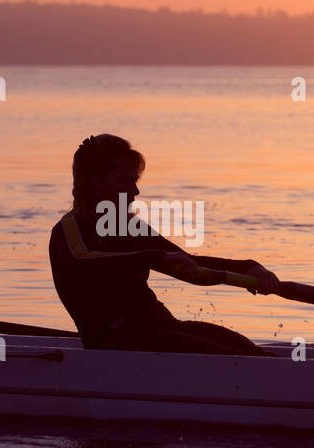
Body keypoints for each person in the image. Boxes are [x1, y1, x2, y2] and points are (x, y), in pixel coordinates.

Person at [49, 134, 280, 355]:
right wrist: (156, 257)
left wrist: (250, 268)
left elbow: (191, 267)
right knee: (229, 356)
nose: (135, 191)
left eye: (135, 181)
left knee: (245, 349)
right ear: (95, 182)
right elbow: (87, 263)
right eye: (125, 181)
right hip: (116, 341)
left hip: (161, 327)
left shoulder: (127, 226)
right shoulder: (68, 231)